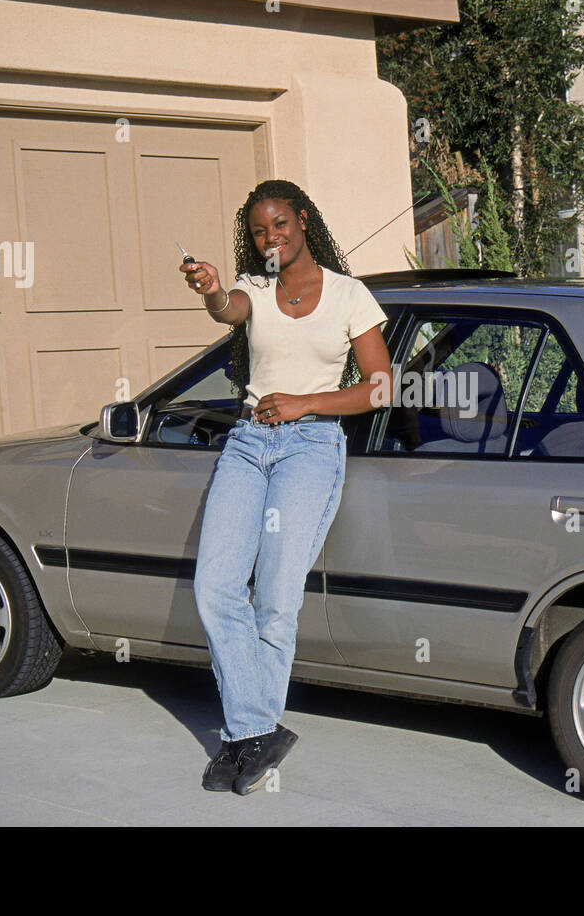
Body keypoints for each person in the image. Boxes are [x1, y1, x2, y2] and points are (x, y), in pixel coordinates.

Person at [180, 179, 391, 795]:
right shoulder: (256, 289)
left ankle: (244, 739)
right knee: (215, 585)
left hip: (311, 447)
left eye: (279, 224)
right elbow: (229, 311)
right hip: (248, 444)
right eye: (258, 231)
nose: (270, 237)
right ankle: (254, 731)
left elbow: (379, 388)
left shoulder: (350, 295)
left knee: (275, 595)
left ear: (302, 220)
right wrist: (213, 289)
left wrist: (306, 403)